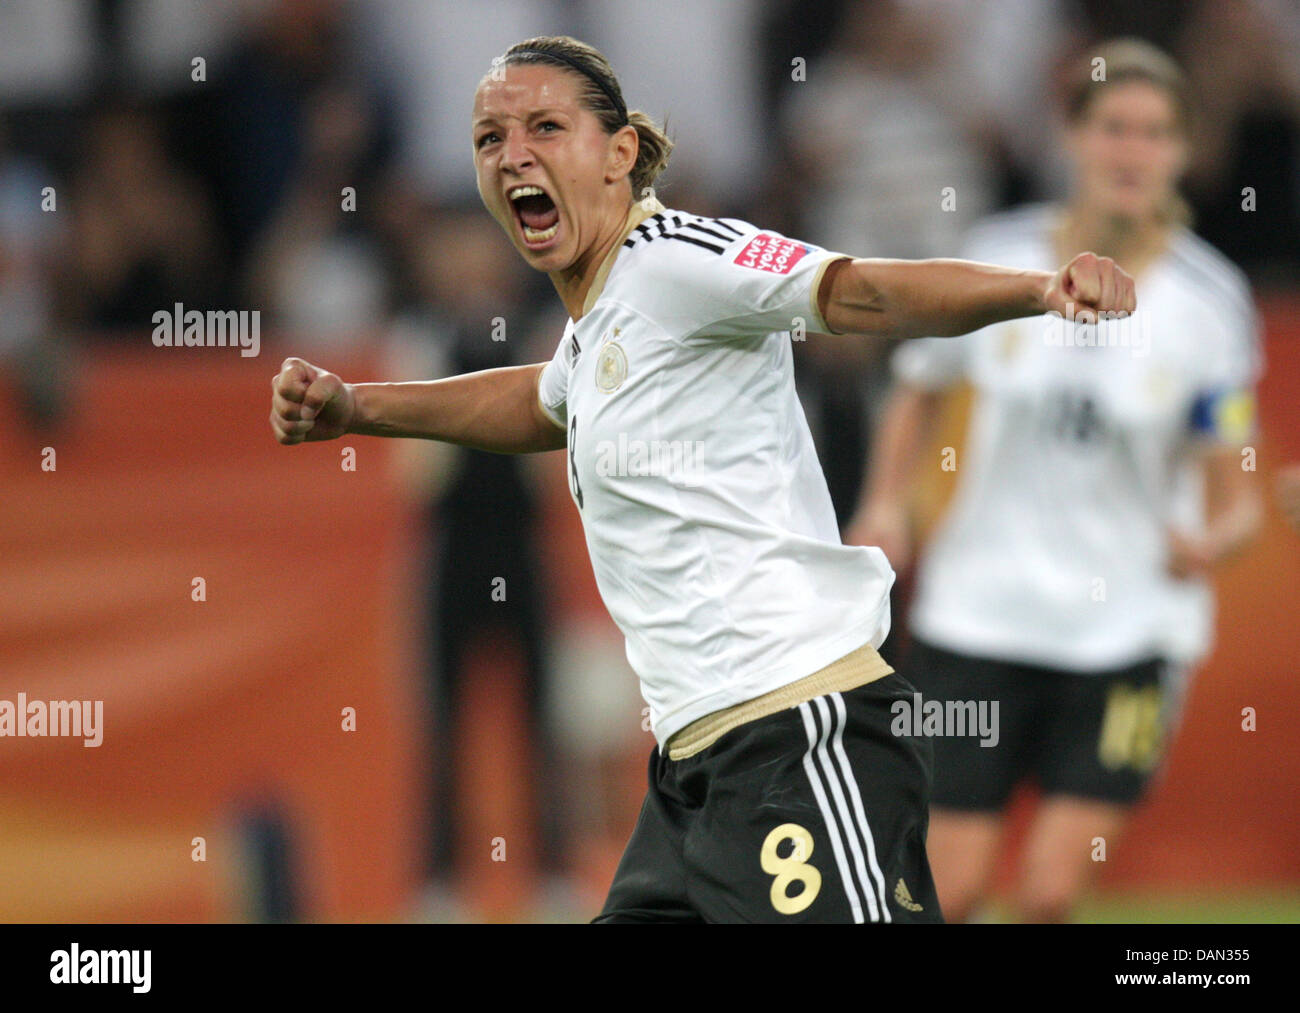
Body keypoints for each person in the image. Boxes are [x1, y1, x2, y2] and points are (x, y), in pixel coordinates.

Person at [269, 35, 1133, 923]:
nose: (512, 154)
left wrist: (1037, 291)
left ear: (620, 155)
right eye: (490, 138)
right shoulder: (598, 321)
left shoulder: (680, 259)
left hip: (795, 734)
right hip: (695, 771)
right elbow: (540, 401)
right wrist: (358, 407)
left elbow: (859, 291)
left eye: (544, 127)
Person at [846, 39, 1263, 923]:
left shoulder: (1210, 305)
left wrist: (1216, 541)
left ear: (1182, 152)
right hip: (977, 618)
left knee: (1047, 893)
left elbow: (1236, 485)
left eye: (1155, 132)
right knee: (946, 890)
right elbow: (916, 392)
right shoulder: (996, 261)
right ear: (1071, 137)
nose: (1132, 150)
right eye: (1113, 126)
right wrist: (886, 503)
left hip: (1129, 635)